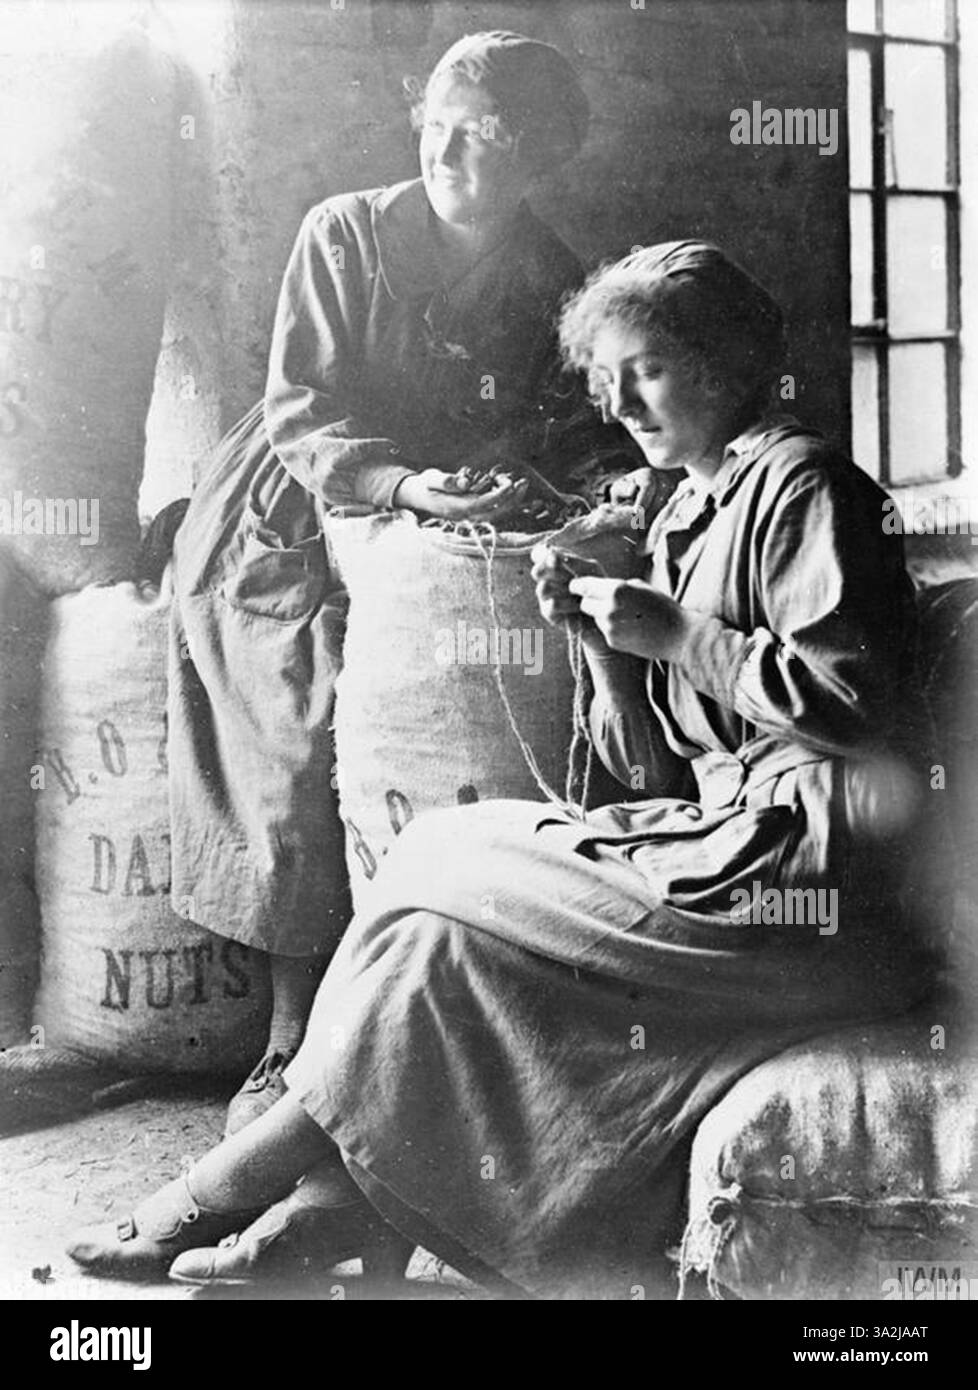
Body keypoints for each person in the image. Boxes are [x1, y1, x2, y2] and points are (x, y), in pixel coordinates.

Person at [69, 241, 934, 1298]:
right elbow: (646, 776)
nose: (621, 407)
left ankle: (240, 1191)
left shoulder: (806, 484)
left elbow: (858, 704)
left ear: (724, 362)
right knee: (434, 886)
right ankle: (341, 1211)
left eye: (648, 371)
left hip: (812, 882)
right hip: (723, 844)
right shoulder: (686, 509)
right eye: (606, 381)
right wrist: (601, 642)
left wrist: (676, 637)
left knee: (447, 895)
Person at [168, 31, 633, 1134]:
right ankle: (291, 1034)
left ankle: (437, 1014)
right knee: (295, 707)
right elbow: (302, 406)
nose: (449, 149)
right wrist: (408, 485)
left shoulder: (551, 276)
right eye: (438, 121)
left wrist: (600, 488)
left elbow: (573, 425)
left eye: (485, 135)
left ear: (537, 158)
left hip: (450, 506)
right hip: (294, 492)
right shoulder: (347, 235)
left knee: (452, 701)